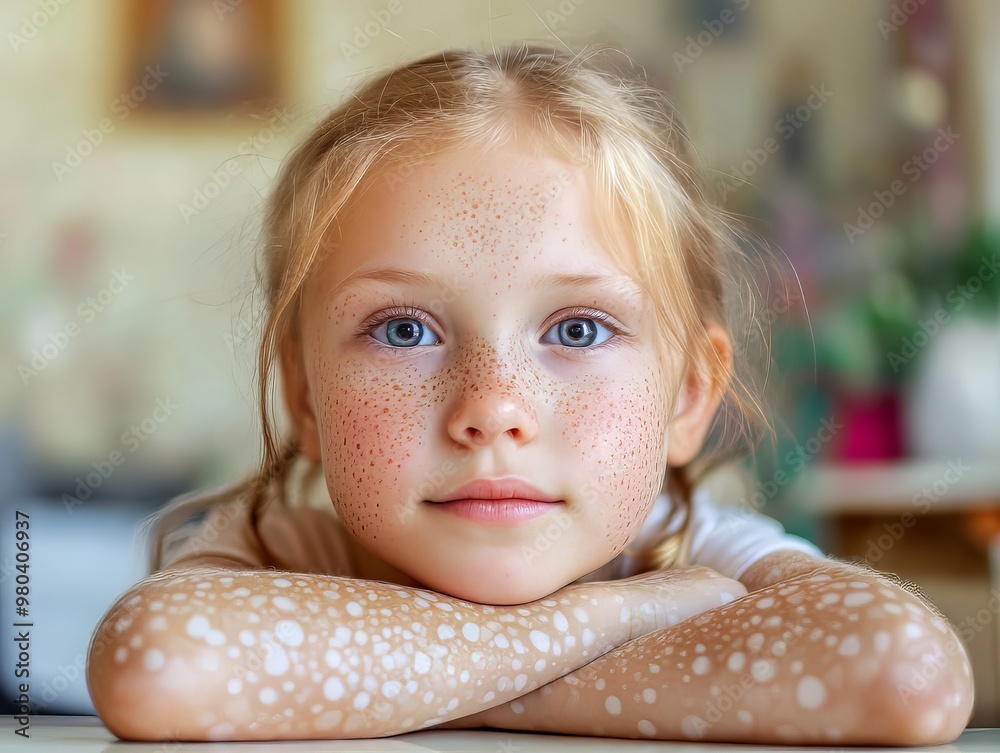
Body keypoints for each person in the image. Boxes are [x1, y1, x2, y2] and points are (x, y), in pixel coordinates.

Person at [86, 45, 973, 744]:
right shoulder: (278, 543)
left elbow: (908, 677)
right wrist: (606, 620)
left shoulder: (701, 553)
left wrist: (412, 684)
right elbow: (157, 664)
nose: (493, 407)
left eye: (577, 329)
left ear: (688, 396)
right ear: (305, 398)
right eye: (404, 329)